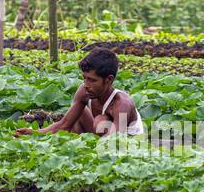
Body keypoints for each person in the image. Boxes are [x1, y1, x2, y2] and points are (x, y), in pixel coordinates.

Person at [15, 47, 144, 137]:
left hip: (127, 146)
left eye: (92, 80)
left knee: (100, 120)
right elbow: (64, 125)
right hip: (100, 140)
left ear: (109, 79)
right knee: (78, 114)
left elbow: (116, 141)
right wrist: (35, 133)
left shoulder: (122, 104)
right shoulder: (84, 91)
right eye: (84, 78)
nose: (86, 85)